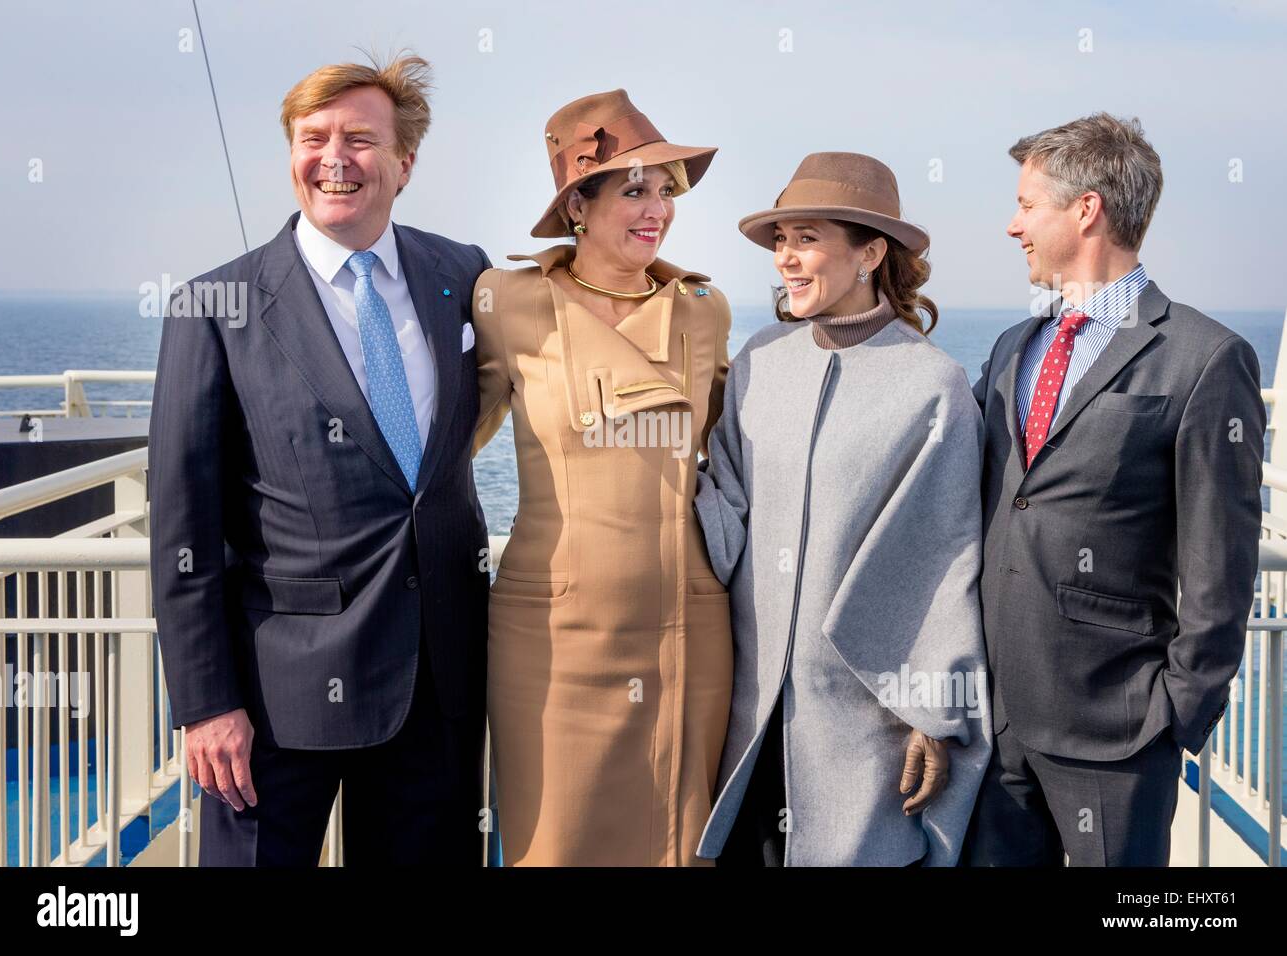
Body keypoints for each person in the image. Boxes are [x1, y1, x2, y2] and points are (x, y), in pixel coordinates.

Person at [149, 53, 492, 866]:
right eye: (313, 138)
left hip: (437, 691)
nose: (334, 159)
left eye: (361, 140)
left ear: (405, 163)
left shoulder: (465, 276)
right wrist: (206, 705)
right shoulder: (214, 308)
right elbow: (182, 525)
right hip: (276, 704)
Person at [964, 113, 1265, 866]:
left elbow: (1220, 564)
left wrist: (1175, 716)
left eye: (1028, 204)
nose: (1012, 225)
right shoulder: (1012, 348)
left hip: (1119, 737)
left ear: (1086, 209)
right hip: (996, 729)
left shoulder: (1203, 357)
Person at [694, 152, 992, 866]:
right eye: (780, 242)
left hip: (862, 725)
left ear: (870, 251)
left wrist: (934, 715)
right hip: (747, 710)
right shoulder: (760, 361)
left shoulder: (933, 386)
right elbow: (723, 508)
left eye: (806, 239)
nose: (786, 260)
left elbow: (944, 556)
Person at [472, 89, 733, 865]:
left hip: (686, 631)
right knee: (553, 843)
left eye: (666, 191)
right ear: (577, 206)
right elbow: (438, 452)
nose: (657, 209)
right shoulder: (507, 303)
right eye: (634, 190)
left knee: (676, 848)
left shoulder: (703, 309)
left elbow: (733, 463)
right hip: (551, 640)